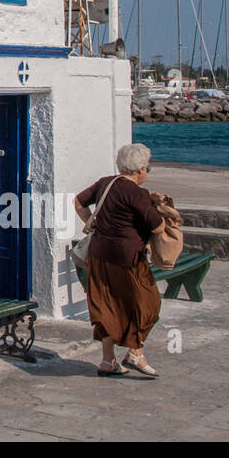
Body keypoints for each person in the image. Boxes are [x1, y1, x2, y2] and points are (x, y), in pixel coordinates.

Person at [74, 143, 166, 379]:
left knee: (107, 307)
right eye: (147, 168)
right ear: (140, 170)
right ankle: (135, 352)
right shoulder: (137, 193)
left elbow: (79, 201)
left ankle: (108, 361)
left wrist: (90, 222)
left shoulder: (106, 183)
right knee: (148, 304)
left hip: (99, 256)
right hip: (128, 259)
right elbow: (158, 226)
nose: (147, 173)